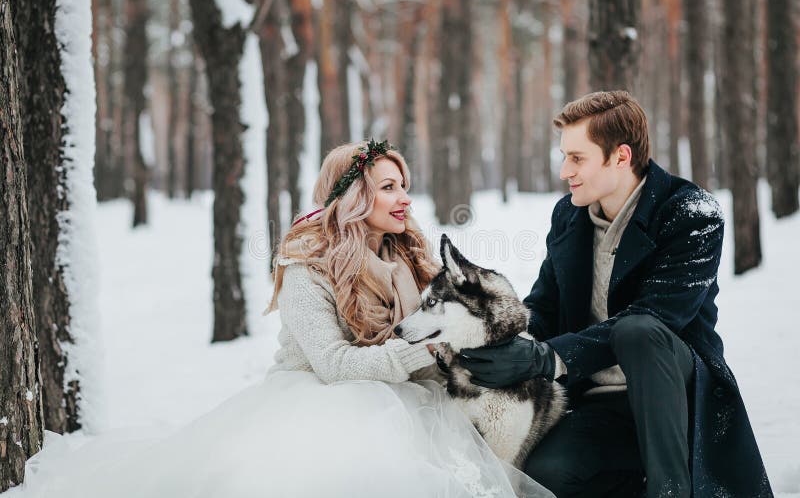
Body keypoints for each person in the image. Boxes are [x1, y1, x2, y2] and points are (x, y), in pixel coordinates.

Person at [19, 140, 553, 498]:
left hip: (412, 394)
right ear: (353, 195)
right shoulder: (306, 264)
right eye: (388, 186)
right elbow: (334, 364)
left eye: (403, 184)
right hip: (324, 399)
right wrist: (433, 348)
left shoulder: (411, 254)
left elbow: (449, 322)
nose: (404, 197)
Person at [460, 91, 773, 497]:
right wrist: (498, 340)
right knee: (548, 472)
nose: (563, 171)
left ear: (620, 157)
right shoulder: (569, 214)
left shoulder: (692, 212)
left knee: (638, 332)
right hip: (600, 401)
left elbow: (658, 318)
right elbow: (544, 306)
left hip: (676, 397)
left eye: (577, 158)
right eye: (564, 156)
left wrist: (547, 357)